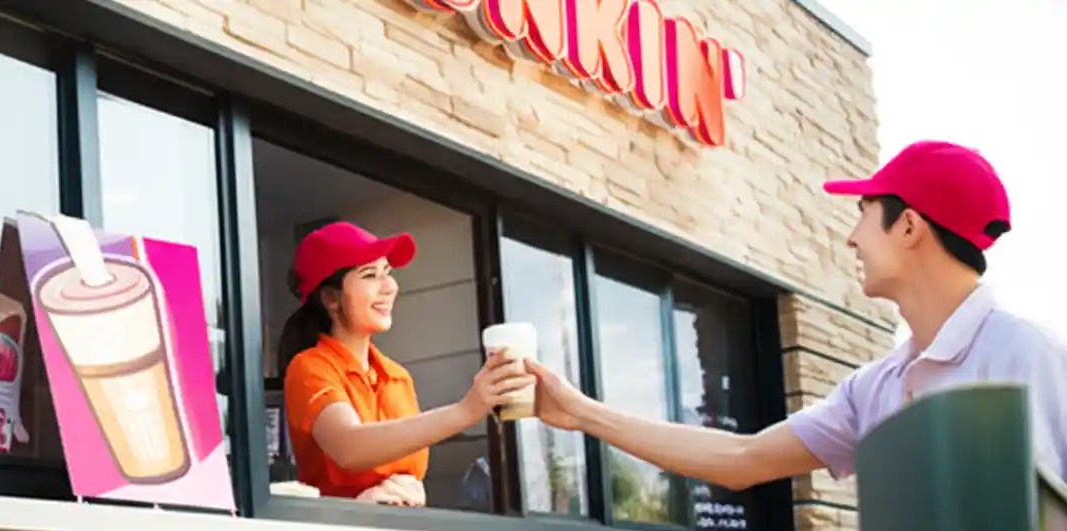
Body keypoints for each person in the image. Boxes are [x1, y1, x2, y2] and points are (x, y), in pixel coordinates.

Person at [528, 140, 1067, 487]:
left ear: (908, 227)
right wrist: (580, 413)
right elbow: (745, 458)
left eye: (864, 216)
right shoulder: (874, 389)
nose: (852, 239)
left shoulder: (1029, 355)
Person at [278, 221, 532, 506]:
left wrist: (411, 490)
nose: (389, 287)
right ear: (330, 297)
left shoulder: (397, 376)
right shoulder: (309, 367)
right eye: (370, 275)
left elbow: (408, 474)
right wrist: (467, 410)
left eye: (388, 272)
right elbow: (349, 446)